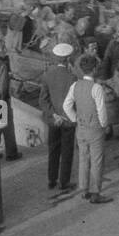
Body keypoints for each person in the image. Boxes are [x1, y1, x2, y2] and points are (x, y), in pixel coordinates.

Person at [64, 53, 112, 203]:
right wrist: (104, 125)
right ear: (94, 69)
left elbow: (66, 105)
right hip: (95, 129)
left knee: (83, 158)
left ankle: (83, 189)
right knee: (97, 160)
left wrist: (75, 119)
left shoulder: (75, 85)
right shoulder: (96, 87)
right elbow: (101, 111)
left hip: (81, 128)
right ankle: (95, 192)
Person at [38, 43, 78, 192]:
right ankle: (64, 181)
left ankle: (51, 179)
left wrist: (53, 114)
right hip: (68, 121)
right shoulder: (72, 77)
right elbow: (74, 102)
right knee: (67, 151)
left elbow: (43, 100)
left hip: (53, 120)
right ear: (68, 60)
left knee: (53, 150)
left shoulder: (47, 75)